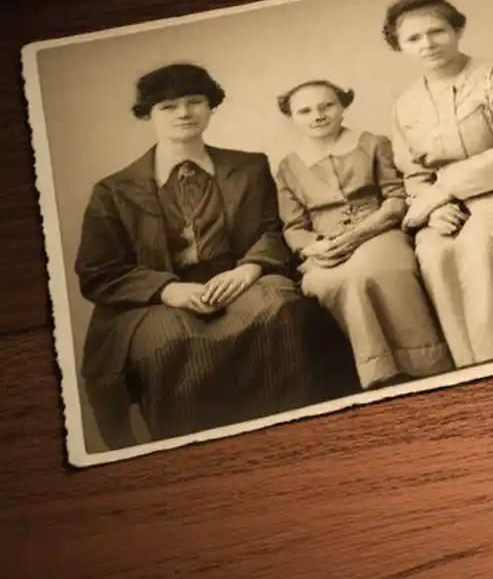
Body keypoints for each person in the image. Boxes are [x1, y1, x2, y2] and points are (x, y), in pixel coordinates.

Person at [74, 63, 351, 450]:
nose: (184, 113)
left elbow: (271, 230)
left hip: (241, 278)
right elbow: (99, 271)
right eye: (168, 107)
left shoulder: (249, 166)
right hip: (155, 299)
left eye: (194, 102)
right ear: (148, 114)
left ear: (210, 107)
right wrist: (169, 290)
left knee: (284, 312)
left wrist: (250, 268)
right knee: (170, 343)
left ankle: (305, 440)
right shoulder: (114, 190)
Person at [383, 0, 493, 367]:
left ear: (457, 30)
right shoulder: (405, 104)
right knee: (433, 250)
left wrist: (445, 189)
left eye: (437, 31)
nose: (427, 44)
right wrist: (431, 209)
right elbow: (414, 173)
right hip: (442, 204)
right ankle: (472, 370)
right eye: (413, 38)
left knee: (479, 244)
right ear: (400, 46)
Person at [274, 79, 454, 389]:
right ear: (291, 118)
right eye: (304, 111)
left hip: (378, 229)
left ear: (343, 106)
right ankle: (379, 374)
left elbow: (396, 199)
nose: (317, 115)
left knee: (376, 269)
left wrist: (357, 235)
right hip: (325, 244)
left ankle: (426, 367)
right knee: (326, 281)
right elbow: (293, 227)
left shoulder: (373, 143)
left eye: (326, 105)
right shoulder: (288, 166)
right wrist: (314, 248)